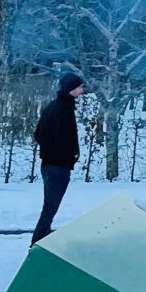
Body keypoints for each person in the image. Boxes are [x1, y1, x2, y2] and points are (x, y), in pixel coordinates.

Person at [31, 71, 85, 243]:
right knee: (50, 208)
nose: (82, 90)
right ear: (71, 89)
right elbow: (64, 137)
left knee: (49, 206)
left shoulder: (51, 106)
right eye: (79, 87)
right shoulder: (65, 109)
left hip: (48, 164)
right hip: (58, 166)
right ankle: (37, 242)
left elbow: (38, 134)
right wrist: (71, 155)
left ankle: (42, 238)